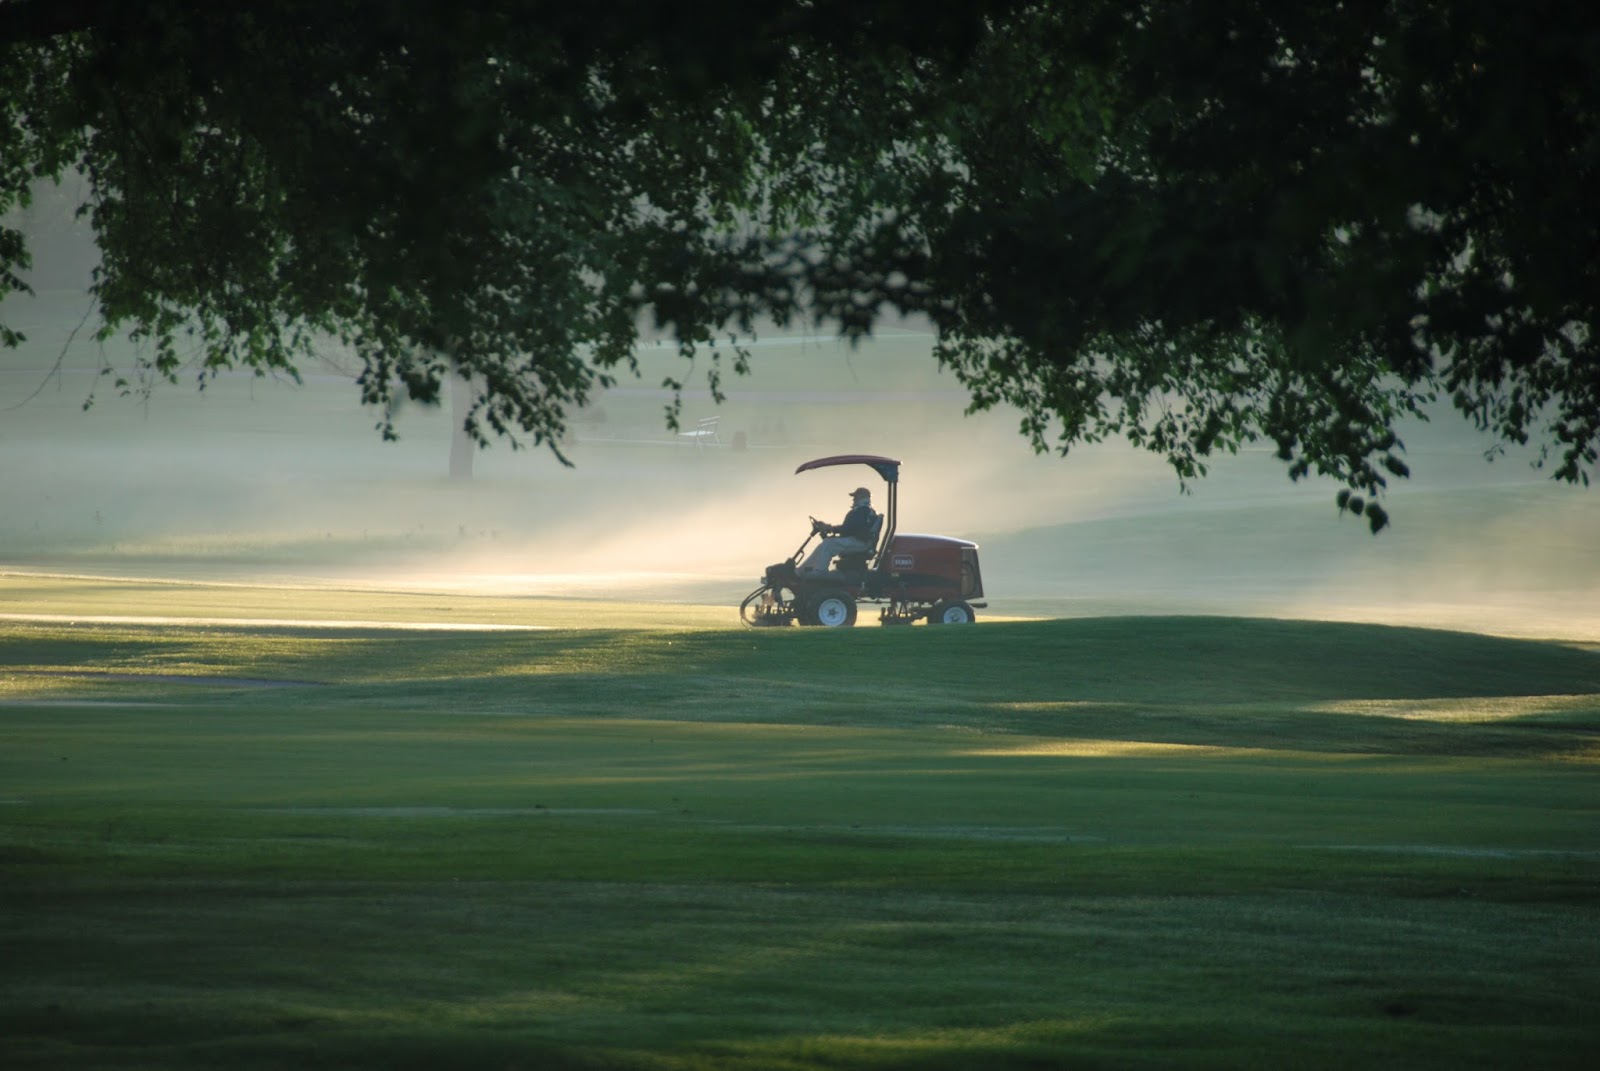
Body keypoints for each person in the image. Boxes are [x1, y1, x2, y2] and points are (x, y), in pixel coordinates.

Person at [799, 487, 879, 576]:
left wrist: (831, 528)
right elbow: (850, 528)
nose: (853, 499)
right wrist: (831, 529)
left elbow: (849, 528)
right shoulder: (865, 510)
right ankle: (802, 570)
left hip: (859, 542)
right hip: (858, 540)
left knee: (828, 545)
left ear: (861, 497)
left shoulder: (863, 510)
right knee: (826, 543)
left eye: (855, 497)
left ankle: (819, 572)